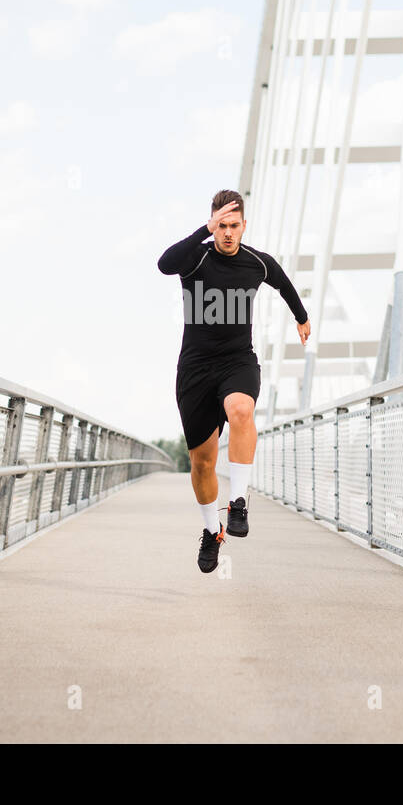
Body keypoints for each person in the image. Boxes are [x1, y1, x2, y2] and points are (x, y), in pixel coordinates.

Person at [157, 189, 312, 573]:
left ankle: (239, 501)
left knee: (242, 409)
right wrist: (202, 232)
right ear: (214, 224)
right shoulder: (196, 258)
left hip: (237, 362)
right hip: (194, 371)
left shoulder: (256, 263)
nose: (227, 233)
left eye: (234, 226)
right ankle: (213, 531)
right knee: (202, 463)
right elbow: (164, 263)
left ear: (244, 226)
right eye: (221, 226)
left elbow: (283, 283)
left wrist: (302, 317)